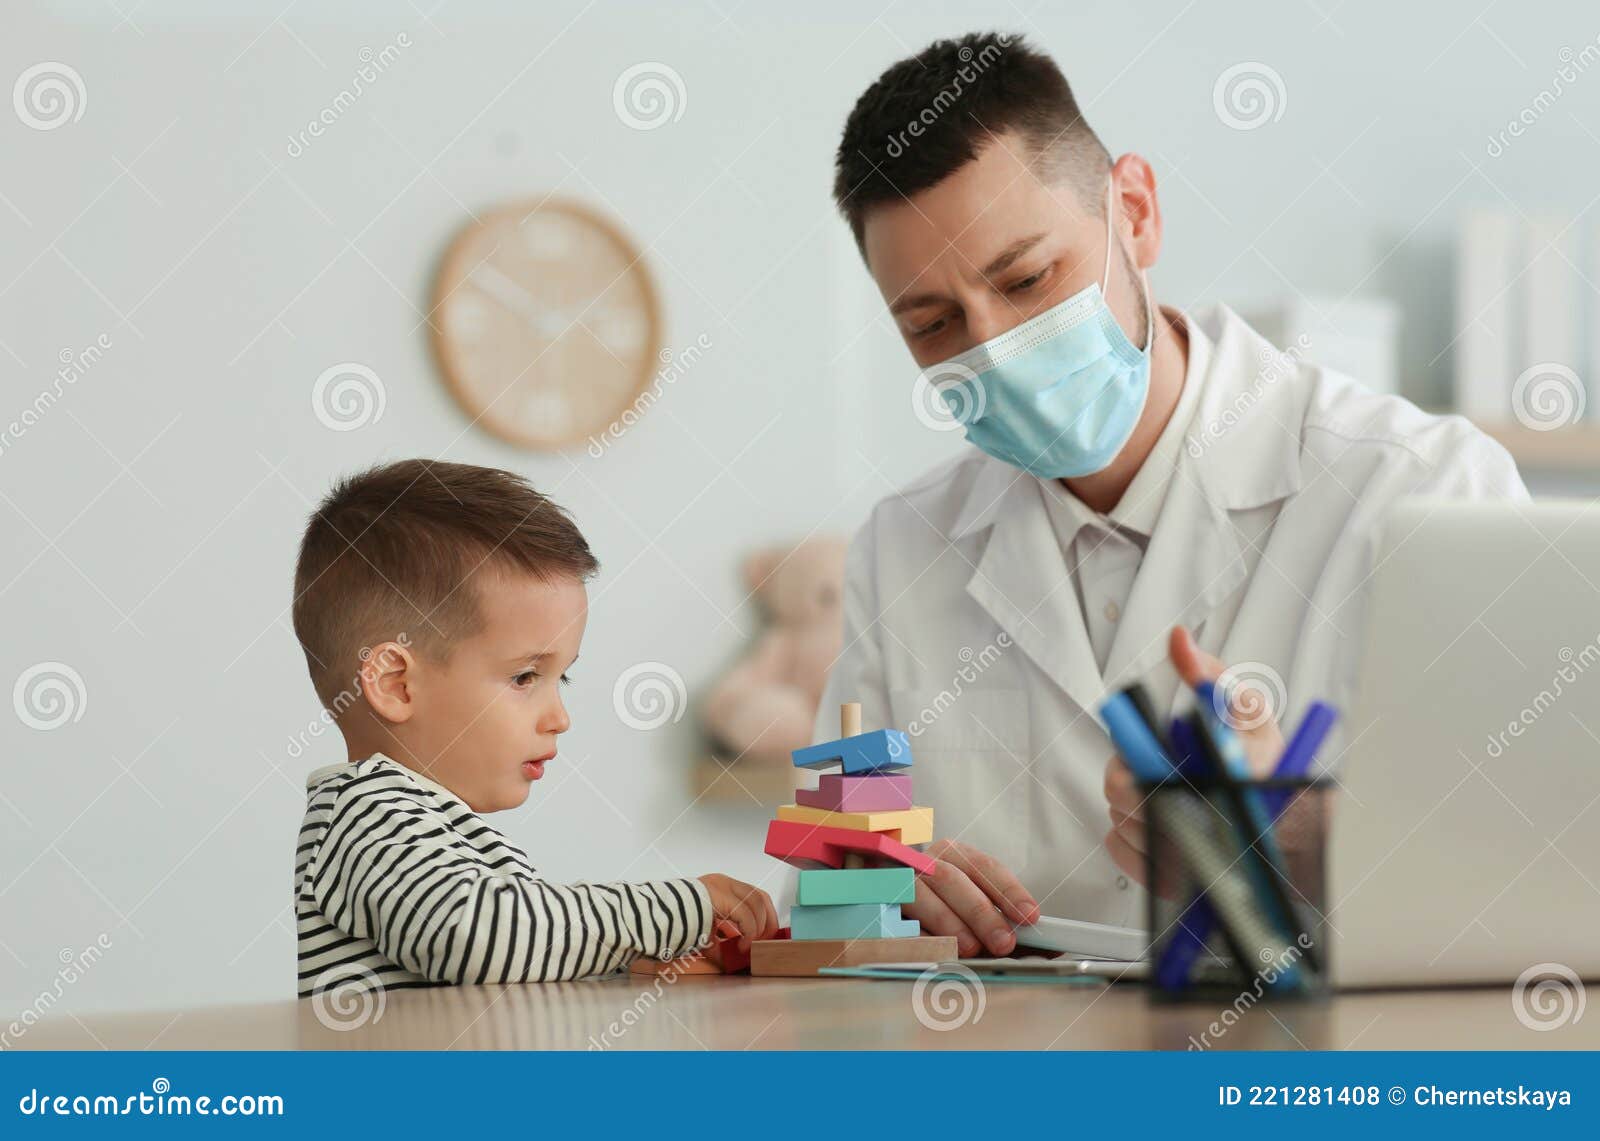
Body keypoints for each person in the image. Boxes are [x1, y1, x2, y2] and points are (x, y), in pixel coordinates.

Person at [816, 32, 1527, 958]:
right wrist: (881, 899)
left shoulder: (1425, 488)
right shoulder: (903, 545)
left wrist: (1302, 837)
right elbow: (836, 868)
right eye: (934, 322)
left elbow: (1542, 875)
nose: (993, 347)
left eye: (1029, 279)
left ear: (1136, 213)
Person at [290, 459, 777, 996]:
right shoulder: (368, 819)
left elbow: (518, 960)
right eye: (524, 676)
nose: (559, 718)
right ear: (397, 685)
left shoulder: (437, 832)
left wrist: (633, 965)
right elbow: (475, 940)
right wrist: (674, 910)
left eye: (560, 678)